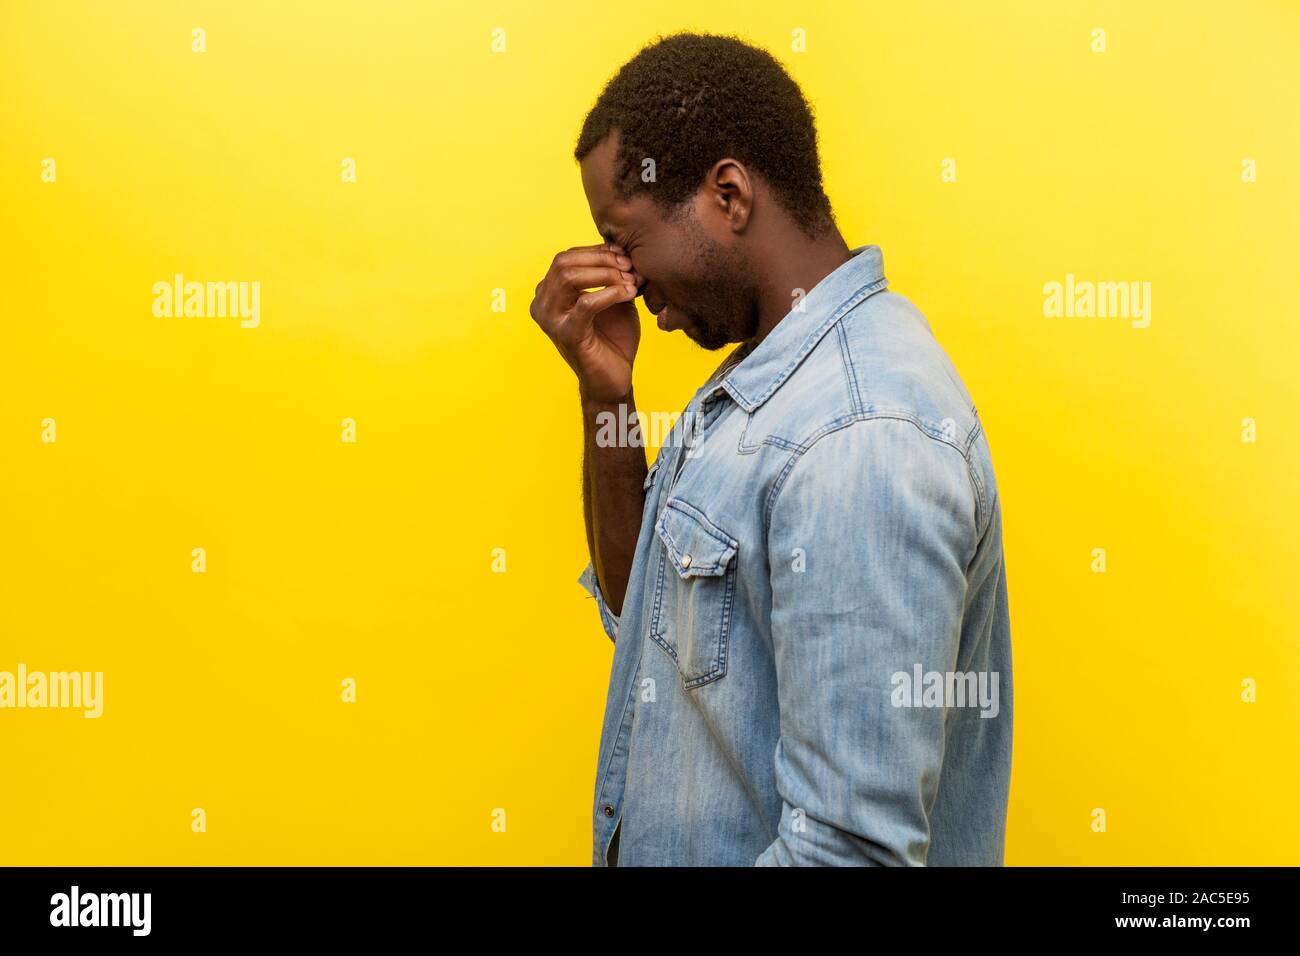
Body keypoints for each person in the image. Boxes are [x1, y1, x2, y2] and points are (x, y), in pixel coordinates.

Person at [529, 32, 1013, 866]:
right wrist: (606, 394)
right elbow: (646, 606)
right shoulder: (769, 377)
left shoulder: (857, 436)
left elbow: (847, 854)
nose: (624, 280)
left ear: (728, 195)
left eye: (627, 241)